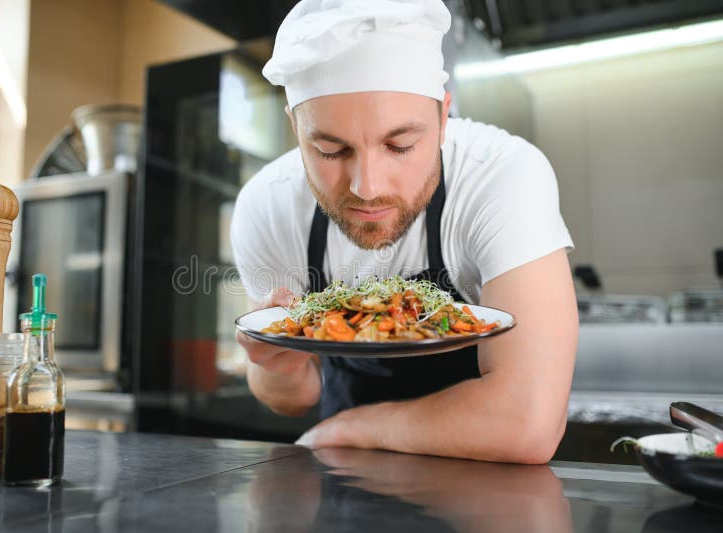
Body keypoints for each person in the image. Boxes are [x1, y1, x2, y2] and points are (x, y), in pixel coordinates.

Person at [231, 0, 578, 464]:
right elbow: (291, 398)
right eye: (331, 150)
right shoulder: (267, 206)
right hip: (345, 488)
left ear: (442, 120)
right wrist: (282, 365)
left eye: (400, 146)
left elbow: (526, 423)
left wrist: (349, 430)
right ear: (295, 128)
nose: (367, 187)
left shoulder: (501, 175)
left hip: (485, 489)